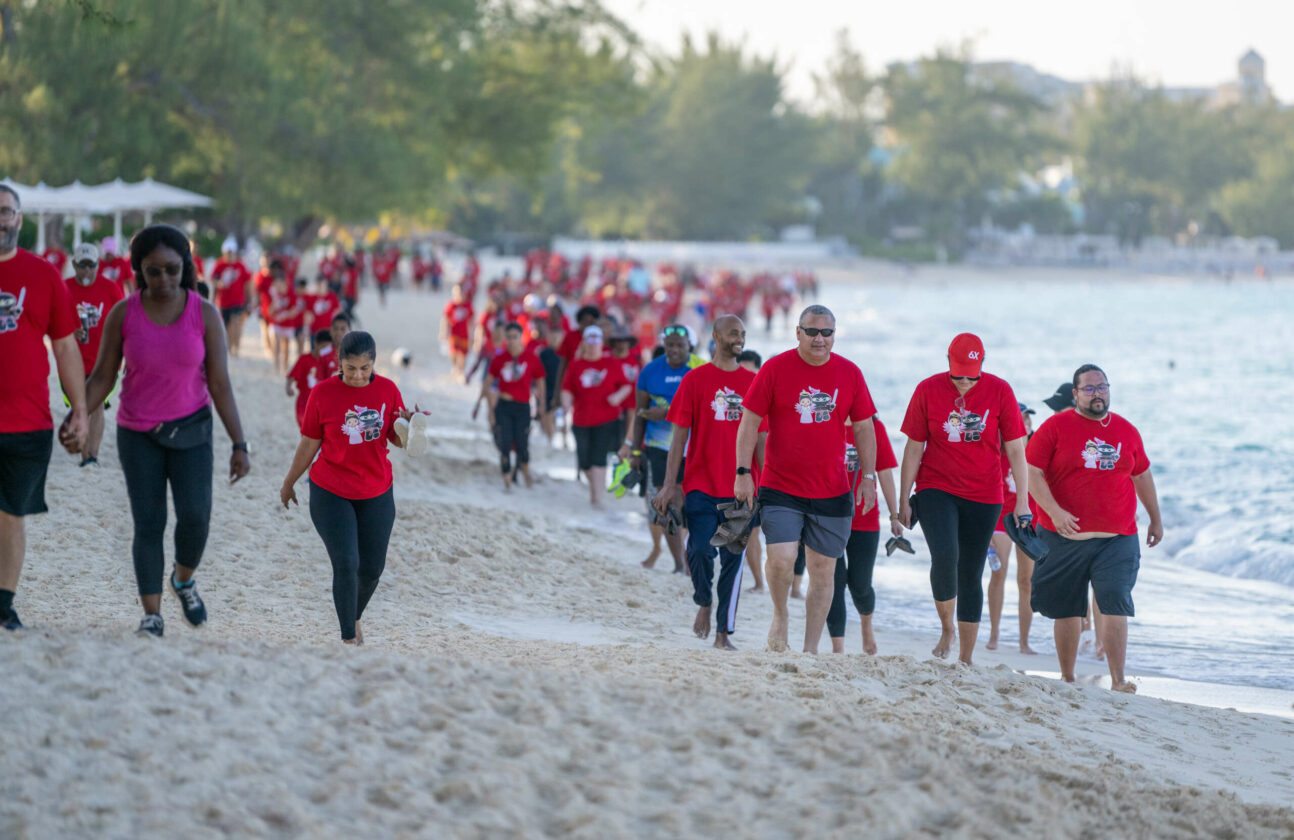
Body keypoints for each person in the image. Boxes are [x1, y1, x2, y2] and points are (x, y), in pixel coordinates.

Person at [78, 224, 251, 637]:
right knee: (149, 522)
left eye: (172, 270)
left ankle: (183, 580)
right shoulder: (124, 313)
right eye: (153, 271)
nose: (163, 280)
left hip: (193, 429)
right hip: (137, 433)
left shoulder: (204, 313)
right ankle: (151, 614)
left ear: (185, 268)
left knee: (195, 518)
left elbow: (220, 382)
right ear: (139, 270)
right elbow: (103, 375)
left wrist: (239, 444)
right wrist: (78, 416)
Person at [734, 305, 878, 654]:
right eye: (812, 331)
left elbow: (863, 427)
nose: (819, 339)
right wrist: (742, 473)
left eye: (826, 332)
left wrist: (869, 477)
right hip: (781, 485)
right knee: (782, 559)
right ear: (797, 332)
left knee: (823, 570)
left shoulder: (850, 373)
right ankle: (780, 615)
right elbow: (749, 423)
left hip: (832, 490)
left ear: (834, 335)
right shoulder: (774, 369)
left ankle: (811, 648)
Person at [280, 331, 424, 644]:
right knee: (346, 563)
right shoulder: (322, 393)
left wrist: (408, 427)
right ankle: (348, 639)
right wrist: (290, 481)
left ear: (374, 364)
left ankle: (354, 615)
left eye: (364, 369)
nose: (357, 376)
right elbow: (309, 442)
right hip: (330, 490)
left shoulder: (387, 390)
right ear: (339, 364)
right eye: (350, 368)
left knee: (372, 568)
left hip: (376, 490)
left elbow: (395, 439)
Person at [1026, 364, 1163, 693]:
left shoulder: (1127, 431)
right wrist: (1055, 513)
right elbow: (1031, 472)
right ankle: (1067, 677)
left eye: (1102, 387)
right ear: (1075, 394)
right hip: (1063, 537)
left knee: (1115, 599)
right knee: (1067, 609)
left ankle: (1118, 680)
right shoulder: (1055, 427)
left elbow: (1141, 475)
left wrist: (1155, 518)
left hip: (1117, 539)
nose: (1097, 393)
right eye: (1089, 388)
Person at [898, 333, 1030, 665]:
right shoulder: (927, 389)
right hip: (935, 488)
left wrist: (1024, 502)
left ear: (982, 365)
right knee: (945, 557)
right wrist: (902, 498)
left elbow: (1016, 448)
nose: (965, 382)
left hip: (985, 494)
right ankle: (947, 628)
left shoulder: (1000, 391)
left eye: (972, 375)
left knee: (970, 572)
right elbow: (914, 446)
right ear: (948, 363)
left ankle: (967, 658)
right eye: (958, 375)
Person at [0, 184, 88, 631]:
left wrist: (80, 409)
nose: (1, 219)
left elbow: (66, 346)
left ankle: (4, 604)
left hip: (27, 421)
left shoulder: (42, 275)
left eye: (7, 212)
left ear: (20, 218)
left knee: (11, 513)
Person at [654, 315, 764, 650]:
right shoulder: (695, 380)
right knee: (699, 550)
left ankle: (722, 634)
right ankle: (703, 601)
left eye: (743, 334)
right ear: (716, 336)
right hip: (700, 484)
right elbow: (678, 438)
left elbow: (762, 439)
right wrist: (669, 485)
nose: (739, 339)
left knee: (733, 563)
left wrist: (768, 487)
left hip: (742, 491)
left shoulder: (754, 383)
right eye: (733, 333)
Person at [827, 416, 901, 655]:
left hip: (865, 518)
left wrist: (894, 515)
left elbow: (886, 473)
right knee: (833, 584)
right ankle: (837, 648)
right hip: (828, 518)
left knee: (860, 584)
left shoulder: (874, 427)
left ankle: (866, 628)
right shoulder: (826, 423)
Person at [620, 324, 690, 572]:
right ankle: (679, 563)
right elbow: (640, 415)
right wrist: (635, 451)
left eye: (679, 345)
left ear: (689, 346)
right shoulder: (650, 371)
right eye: (669, 345)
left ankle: (690, 559)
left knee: (690, 509)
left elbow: (707, 412)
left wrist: (667, 413)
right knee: (667, 507)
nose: (674, 350)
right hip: (659, 448)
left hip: (693, 449)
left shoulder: (701, 368)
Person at [64, 243, 124, 467]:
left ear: (99, 265)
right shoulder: (64, 287)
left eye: (92, 266)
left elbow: (124, 321)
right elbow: (51, 322)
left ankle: (91, 457)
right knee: (80, 406)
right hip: (72, 360)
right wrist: (70, 329)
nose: (87, 271)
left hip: (104, 360)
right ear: (73, 265)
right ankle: (85, 453)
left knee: (97, 405)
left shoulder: (110, 288)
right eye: (82, 265)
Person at [986, 402, 1039, 653]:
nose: (1025, 424)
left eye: (1028, 420)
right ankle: (994, 635)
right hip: (1001, 519)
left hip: (1031, 521)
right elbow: (985, 489)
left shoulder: (1040, 452)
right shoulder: (998, 453)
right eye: (1020, 420)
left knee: (1027, 581)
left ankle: (1024, 642)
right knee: (999, 573)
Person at [561, 325, 631, 509]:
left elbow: (626, 385)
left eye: (596, 341)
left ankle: (597, 498)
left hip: (607, 420)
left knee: (599, 459)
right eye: (589, 341)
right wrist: (566, 404)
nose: (592, 345)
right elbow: (567, 388)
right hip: (581, 420)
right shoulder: (576, 365)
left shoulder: (612, 364)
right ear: (584, 343)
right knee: (584, 461)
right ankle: (595, 490)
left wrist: (617, 397)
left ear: (601, 343)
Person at [482, 322, 546, 490]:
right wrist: (488, 408)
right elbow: (487, 382)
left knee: (522, 444)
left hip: (523, 407)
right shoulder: (500, 358)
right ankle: (507, 480)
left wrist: (541, 405)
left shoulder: (531, 357)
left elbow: (540, 380)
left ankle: (524, 473)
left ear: (521, 337)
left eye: (514, 337)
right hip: (503, 405)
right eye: (508, 337)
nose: (511, 340)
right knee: (505, 443)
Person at [736, 349, 766, 592]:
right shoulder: (737, 397)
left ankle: (758, 582)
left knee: (752, 532)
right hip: (732, 472)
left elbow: (764, 440)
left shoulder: (764, 397)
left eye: (751, 371)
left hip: (756, 476)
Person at [210, 238, 252, 355]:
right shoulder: (219, 264)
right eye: (227, 252)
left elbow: (247, 283)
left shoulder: (240, 265)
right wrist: (219, 285)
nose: (229, 255)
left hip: (238, 300)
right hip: (223, 301)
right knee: (226, 325)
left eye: (231, 252)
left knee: (236, 322)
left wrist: (249, 300)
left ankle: (236, 348)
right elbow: (214, 280)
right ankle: (228, 346)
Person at [288, 330, 331, 431]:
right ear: (316, 344)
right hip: (304, 402)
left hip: (321, 404)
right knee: (306, 430)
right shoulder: (304, 359)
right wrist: (288, 387)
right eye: (323, 346)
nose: (325, 350)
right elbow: (292, 376)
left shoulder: (328, 362)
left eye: (328, 348)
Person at [440, 284, 474, 382]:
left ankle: (461, 371)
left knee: (462, 355)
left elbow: (472, 320)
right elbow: (445, 319)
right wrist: (443, 332)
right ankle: (455, 367)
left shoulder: (468, 305)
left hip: (464, 335)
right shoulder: (451, 305)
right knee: (453, 354)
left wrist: (473, 334)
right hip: (453, 334)